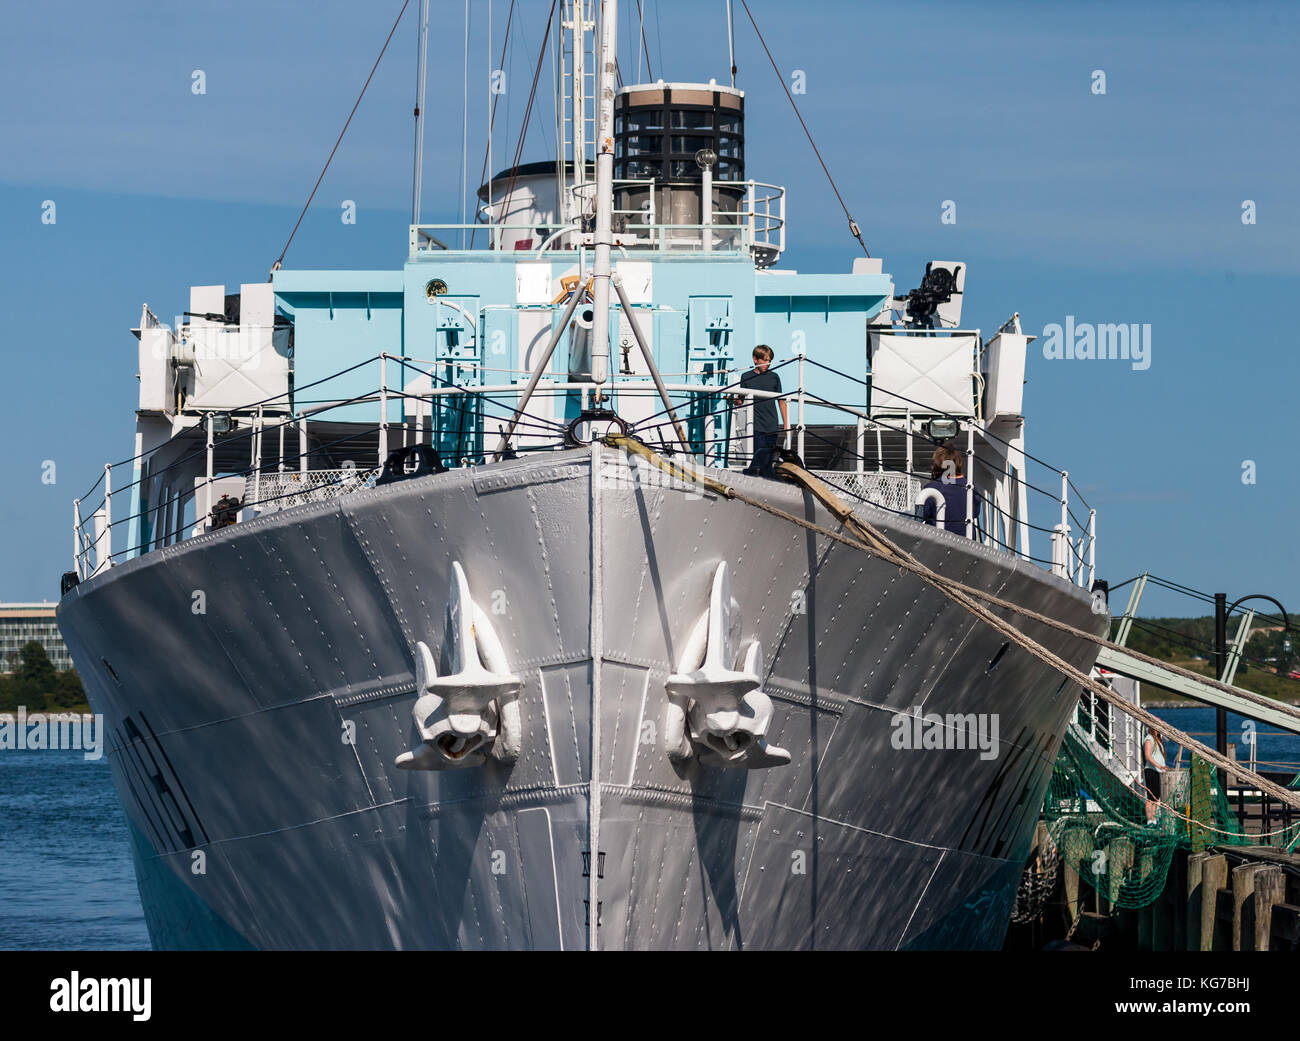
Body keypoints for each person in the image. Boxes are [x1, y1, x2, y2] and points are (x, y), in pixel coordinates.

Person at [732, 345, 788, 479]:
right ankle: (757, 477)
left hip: (772, 424)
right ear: (755, 359)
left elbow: (782, 401)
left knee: (769, 456)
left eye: (769, 360)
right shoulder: (746, 377)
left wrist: (786, 425)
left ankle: (760, 478)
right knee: (760, 454)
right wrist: (731, 399)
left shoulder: (774, 377)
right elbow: (740, 400)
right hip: (755, 425)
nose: (767, 363)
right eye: (764, 360)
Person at [920, 444, 981, 535]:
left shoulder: (932, 488)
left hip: (937, 541)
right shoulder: (970, 486)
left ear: (938, 464)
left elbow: (920, 516)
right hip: (967, 541)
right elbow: (975, 513)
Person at [1142, 725, 1167, 826]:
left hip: (1159, 771)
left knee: (1156, 797)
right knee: (1150, 797)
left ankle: (1154, 819)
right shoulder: (1149, 738)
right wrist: (1159, 766)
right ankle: (1149, 820)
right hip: (1151, 770)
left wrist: (1162, 767)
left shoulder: (1158, 739)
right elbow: (1148, 756)